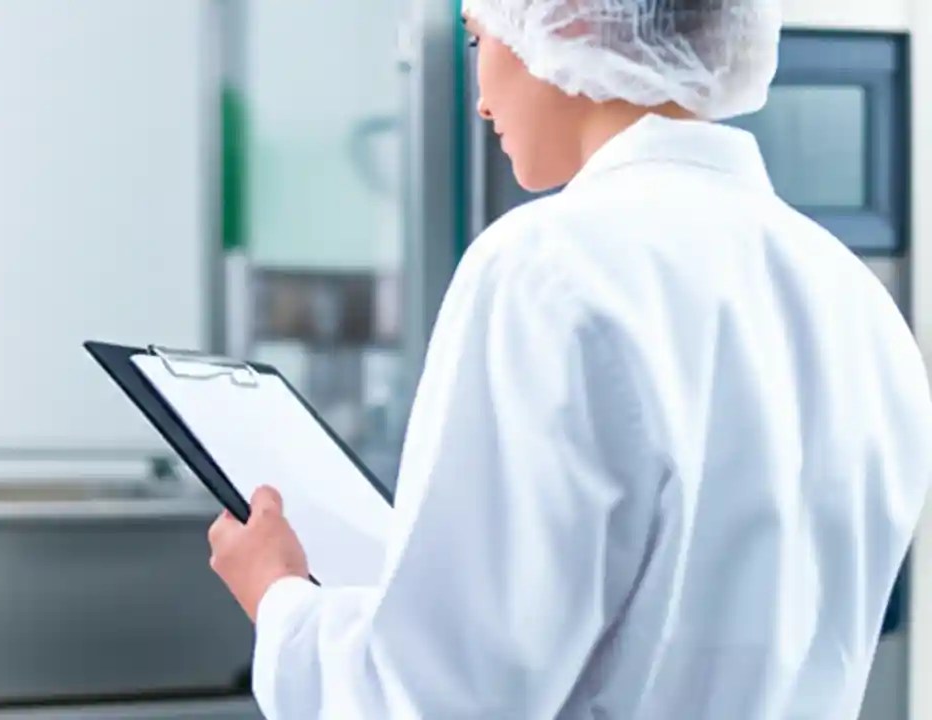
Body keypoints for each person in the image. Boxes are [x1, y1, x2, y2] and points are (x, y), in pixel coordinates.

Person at [207, 0, 932, 717]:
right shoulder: (858, 302)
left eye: (476, 40)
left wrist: (279, 599)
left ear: (577, 19)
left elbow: (438, 701)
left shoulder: (548, 266)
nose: (481, 99)